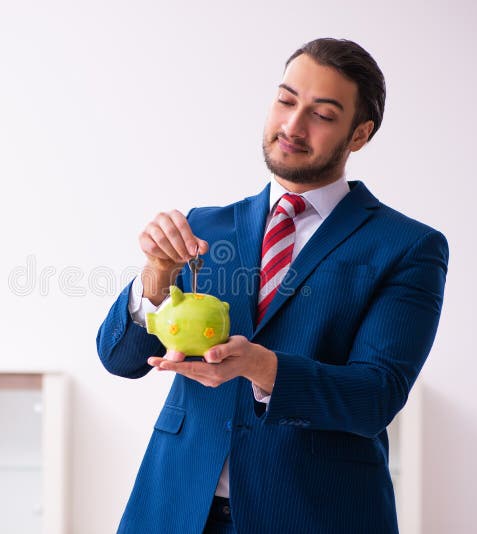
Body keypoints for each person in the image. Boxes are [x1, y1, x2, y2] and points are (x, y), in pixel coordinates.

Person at [96, 37, 448, 534]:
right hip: (175, 509)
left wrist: (263, 367)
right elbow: (119, 359)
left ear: (359, 134)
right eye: (286, 101)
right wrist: (156, 271)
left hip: (315, 514)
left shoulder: (406, 246)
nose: (292, 126)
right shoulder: (204, 227)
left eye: (322, 115)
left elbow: (376, 396)